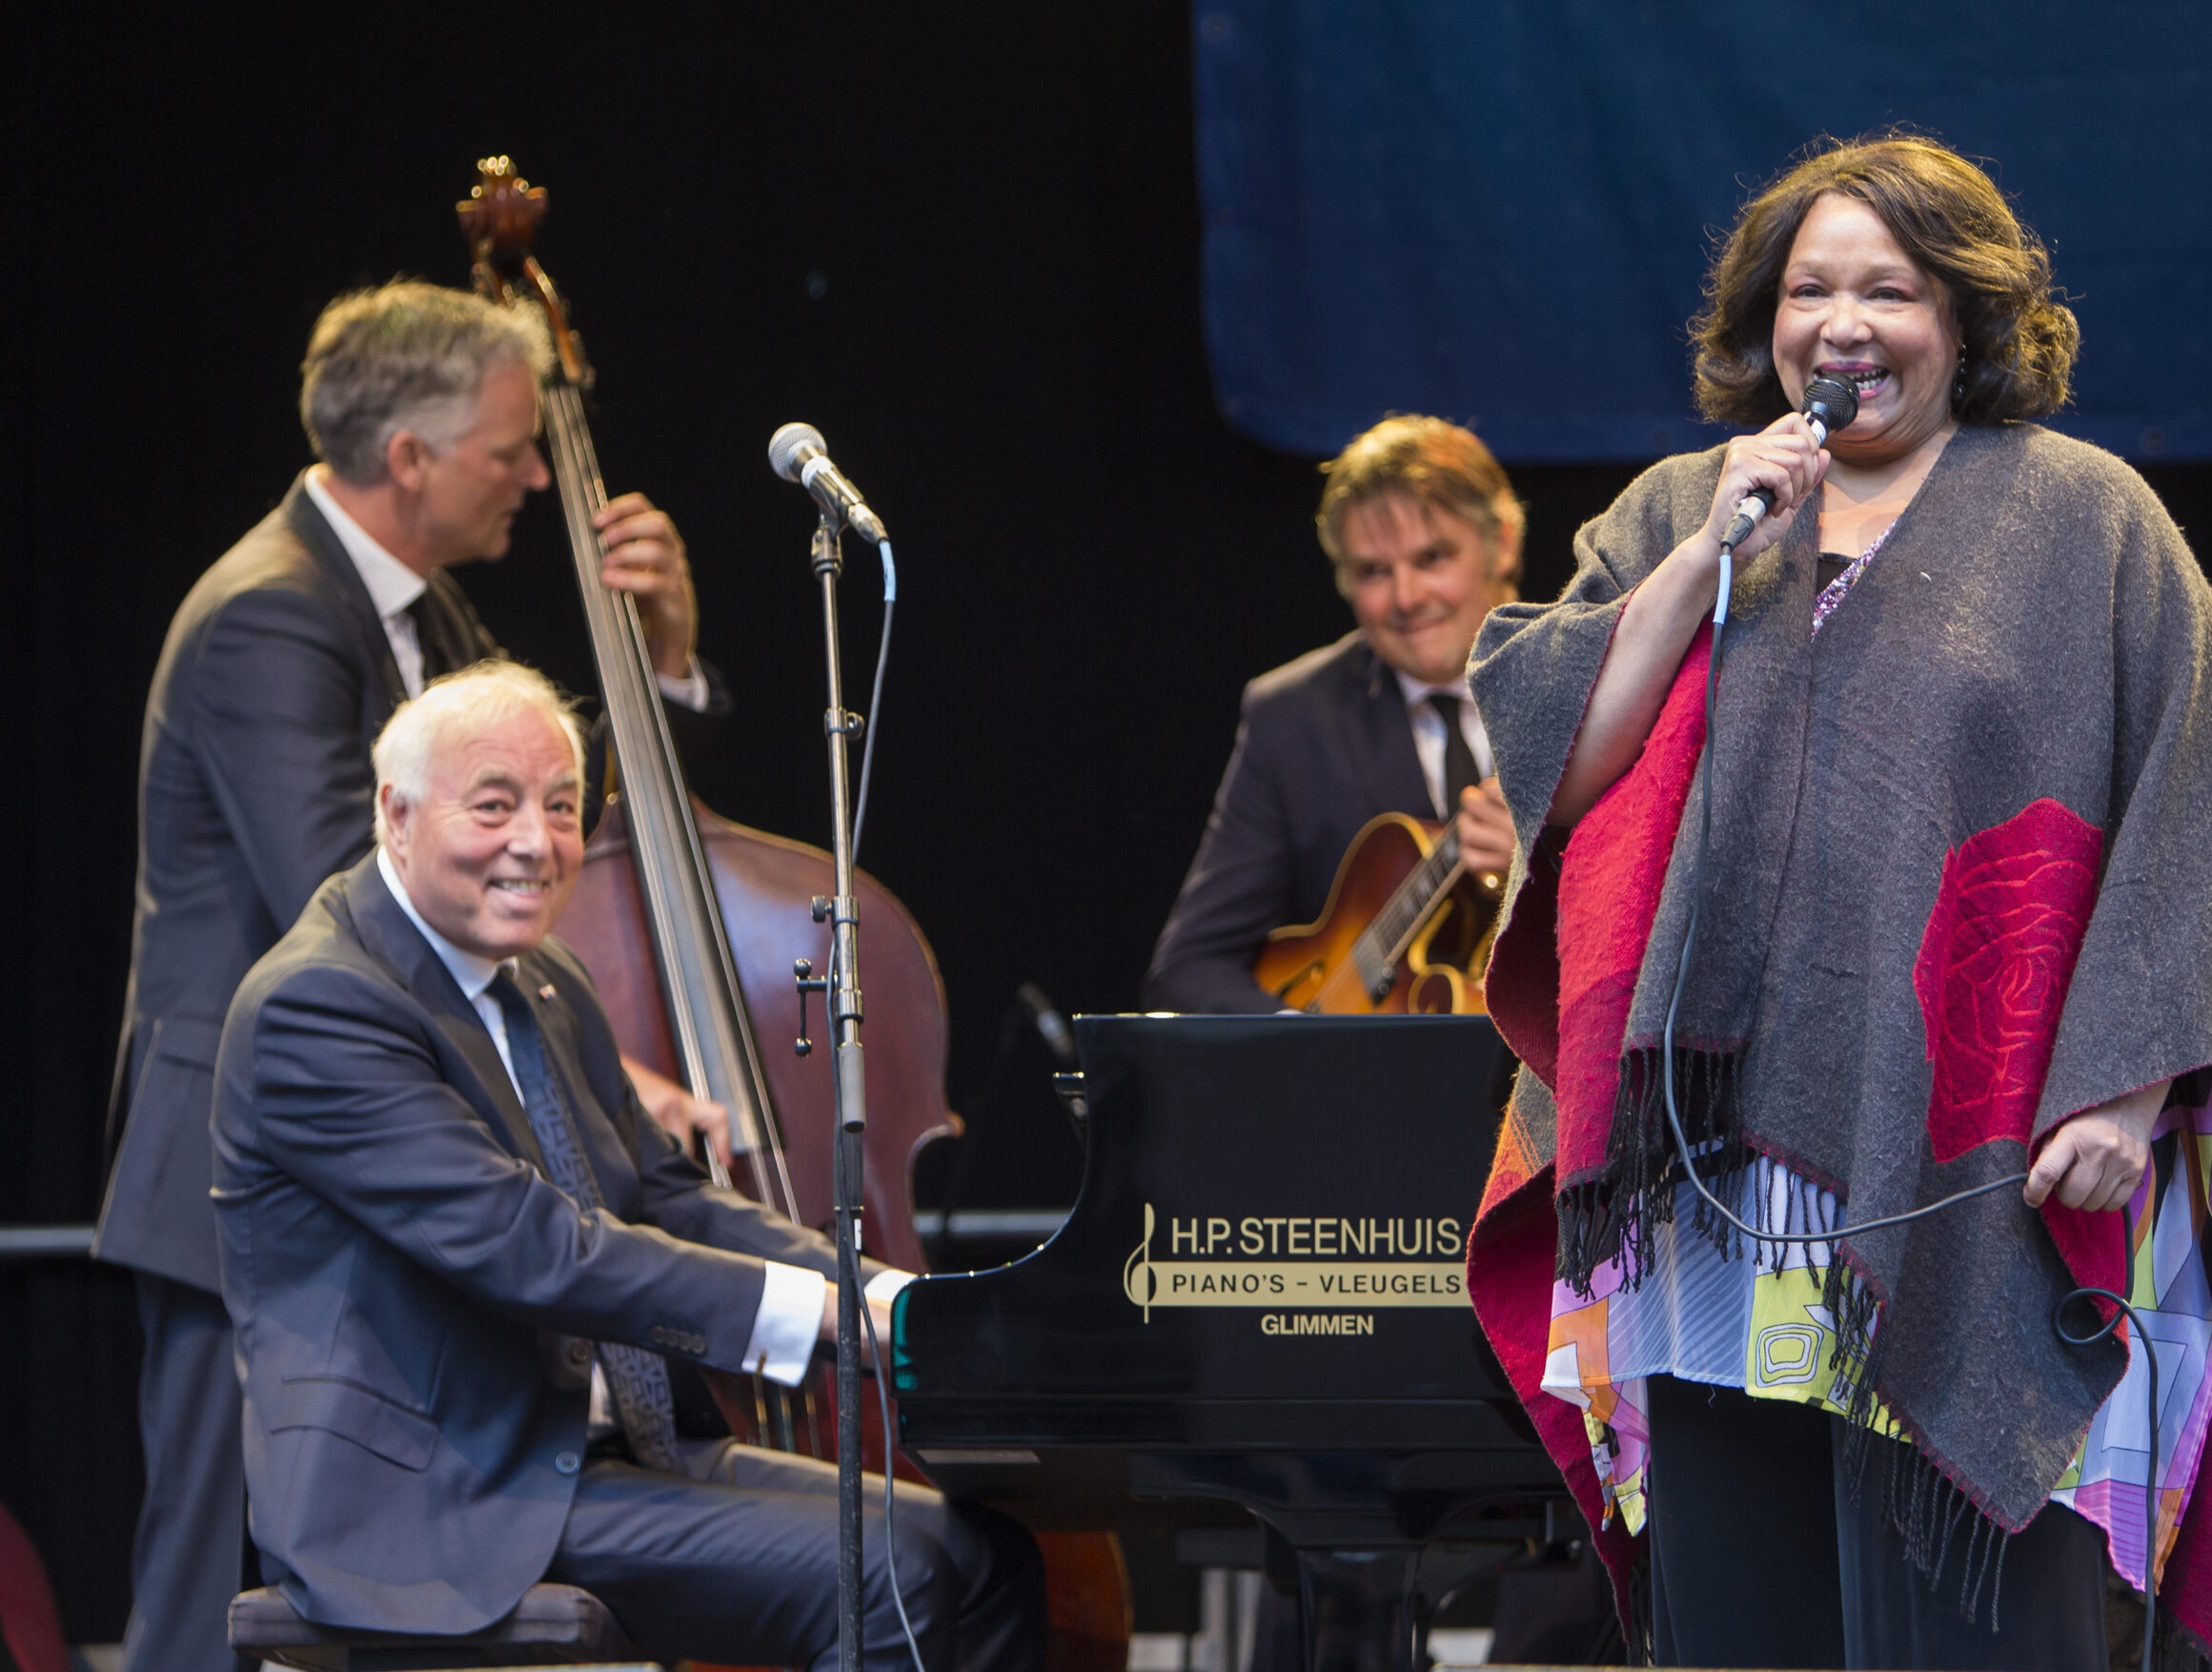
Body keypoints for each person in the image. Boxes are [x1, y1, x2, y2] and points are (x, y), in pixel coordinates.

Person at [1462, 135, 2212, 1671]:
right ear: (1766, 323)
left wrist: (2130, 1081)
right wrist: (1703, 555)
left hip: (1975, 1167)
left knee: (1966, 1637)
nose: (1844, 324)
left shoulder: (2085, 517)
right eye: (1811, 289)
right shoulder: (1687, 504)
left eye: (1889, 290)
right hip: (1703, 1189)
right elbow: (1557, 761)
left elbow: (2201, 805)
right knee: (1742, 1627)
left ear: (1964, 318)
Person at [95, 279, 730, 1672]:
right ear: (411, 458)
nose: (536, 474)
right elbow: (348, 884)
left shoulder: (424, 609)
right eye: (513, 446)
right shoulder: (266, 613)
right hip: (249, 1173)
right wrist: (602, 1069)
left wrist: (661, 666)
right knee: (207, 1586)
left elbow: (542, 826)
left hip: (374, 1170)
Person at [213, 662, 1044, 1668]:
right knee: (891, 1573)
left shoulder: (542, 975)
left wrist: (875, 1288)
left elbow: (667, 1195)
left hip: (599, 1455)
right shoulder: (319, 1005)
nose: (537, 840)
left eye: (562, 807)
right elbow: (537, 1250)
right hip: (447, 1497)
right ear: (397, 813)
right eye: (494, 804)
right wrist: (818, 1319)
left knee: (988, 1552)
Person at [1145, 415, 1524, 1013]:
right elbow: (1188, 967)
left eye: (1432, 557)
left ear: (1502, 542)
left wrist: (1546, 866)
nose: (1405, 598)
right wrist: (1317, 1046)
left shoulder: (1598, 679)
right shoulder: (1292, 717)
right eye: (1374, 571)